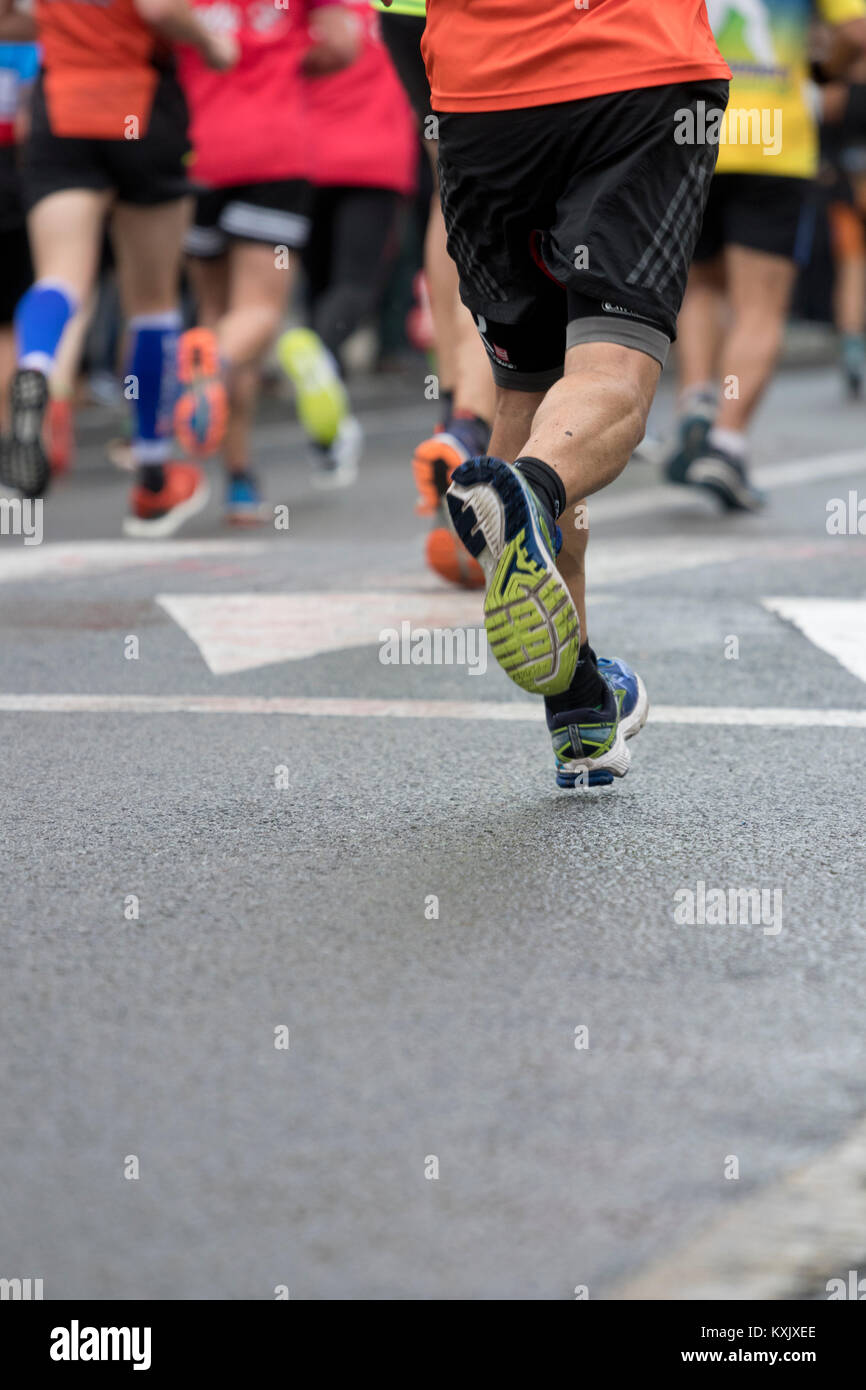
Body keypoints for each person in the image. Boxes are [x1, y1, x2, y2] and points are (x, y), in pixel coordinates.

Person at [387, 0, 731, 786]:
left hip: (480, 97)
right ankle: (526, 490)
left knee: (528, 392)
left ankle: (578, 708)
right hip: (636, 69)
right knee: (609, 376)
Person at [0, 0, 236, 535]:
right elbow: (160, 8)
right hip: (141, 106)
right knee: (151, 303)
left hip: (61, 109)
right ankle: (152, 475)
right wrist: (212, 44)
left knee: (60, 277)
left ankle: (36, 365)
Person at [667, 0, 866, 510]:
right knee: (760, 306)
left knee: (700, 284)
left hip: (690, 130)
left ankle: (698, 399)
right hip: (773, 144)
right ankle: (726, 444)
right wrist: (827, 68)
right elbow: (856, 27)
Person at [175, 0, 360, 519]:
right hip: (273, 150)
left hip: (199, 152)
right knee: (257, 315)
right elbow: (344, 43)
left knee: (217, 318)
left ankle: (239, 476)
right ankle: (210, 382)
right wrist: (288, 60)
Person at [374, 0, 495, 589]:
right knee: (499, 193)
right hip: (492, 13)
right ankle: (471, 423)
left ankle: (455, 404)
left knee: (450, 184)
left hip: (400, 9)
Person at [301, 0, 415, 455]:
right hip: (374, 161)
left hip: (307, 158)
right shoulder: (392, 8)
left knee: (319, 285)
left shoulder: (307, 12)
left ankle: (327, 412)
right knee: (356, 286)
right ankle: (317, 354)